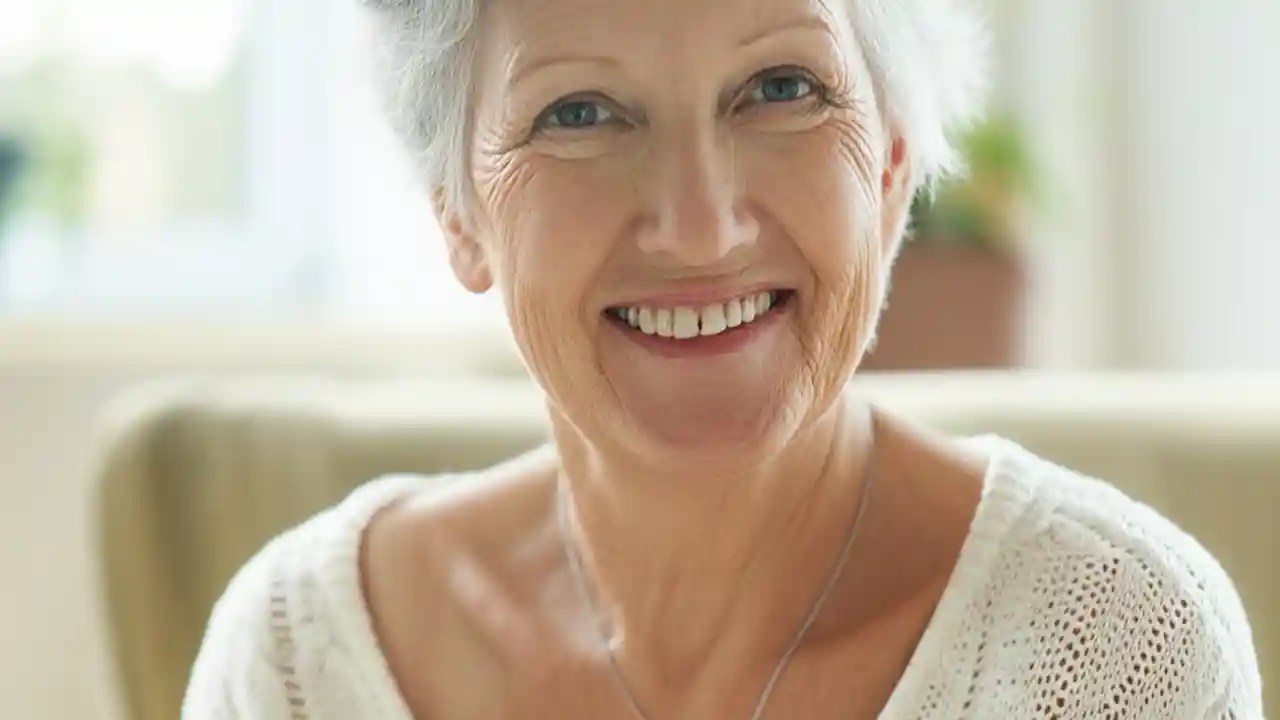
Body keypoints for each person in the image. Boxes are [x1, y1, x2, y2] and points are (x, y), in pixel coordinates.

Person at [183, 0, 1263, 716]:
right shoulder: (300, 657)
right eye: (579, 113)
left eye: (780, 89)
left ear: (887, 170)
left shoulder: (1119, 648)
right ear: (458, 215)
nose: (698, 230)